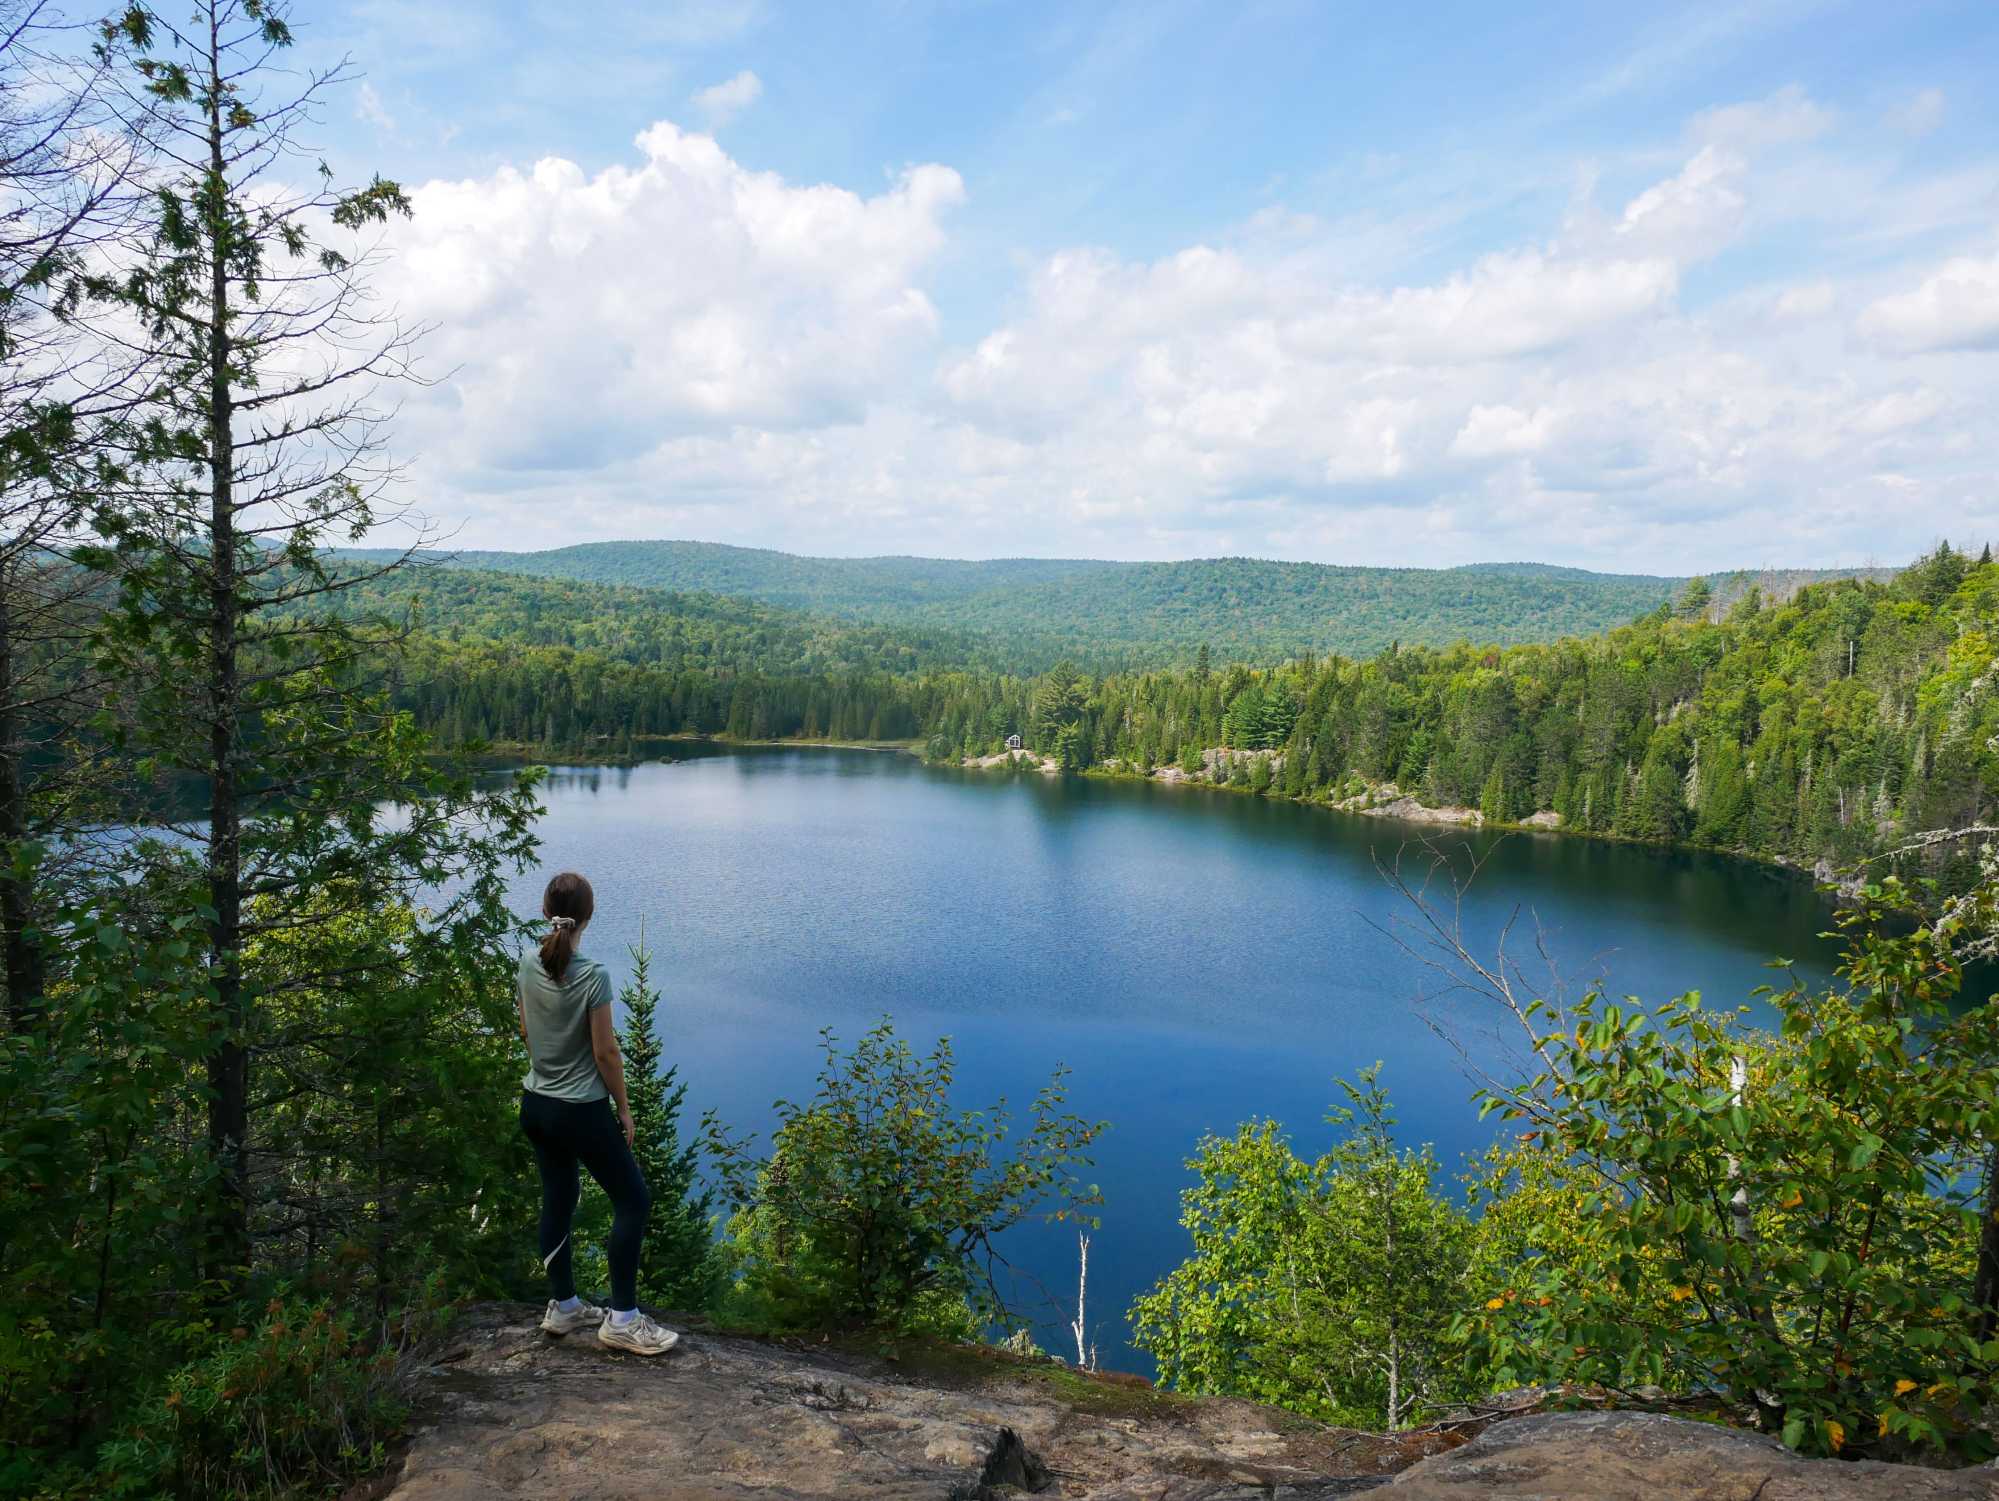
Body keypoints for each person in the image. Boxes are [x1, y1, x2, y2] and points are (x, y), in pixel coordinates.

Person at [517, 870, 678, 1355]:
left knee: (558, 1199)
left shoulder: (526, 962)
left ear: (546, 911)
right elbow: (606, 1052)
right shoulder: (593, 975)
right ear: (590, 915)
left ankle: (564, 1305)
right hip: (581, 1110)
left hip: (537, 1105)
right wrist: (623, 1110)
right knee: (633, 1201)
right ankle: (623, 1320)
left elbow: (525, 1029)